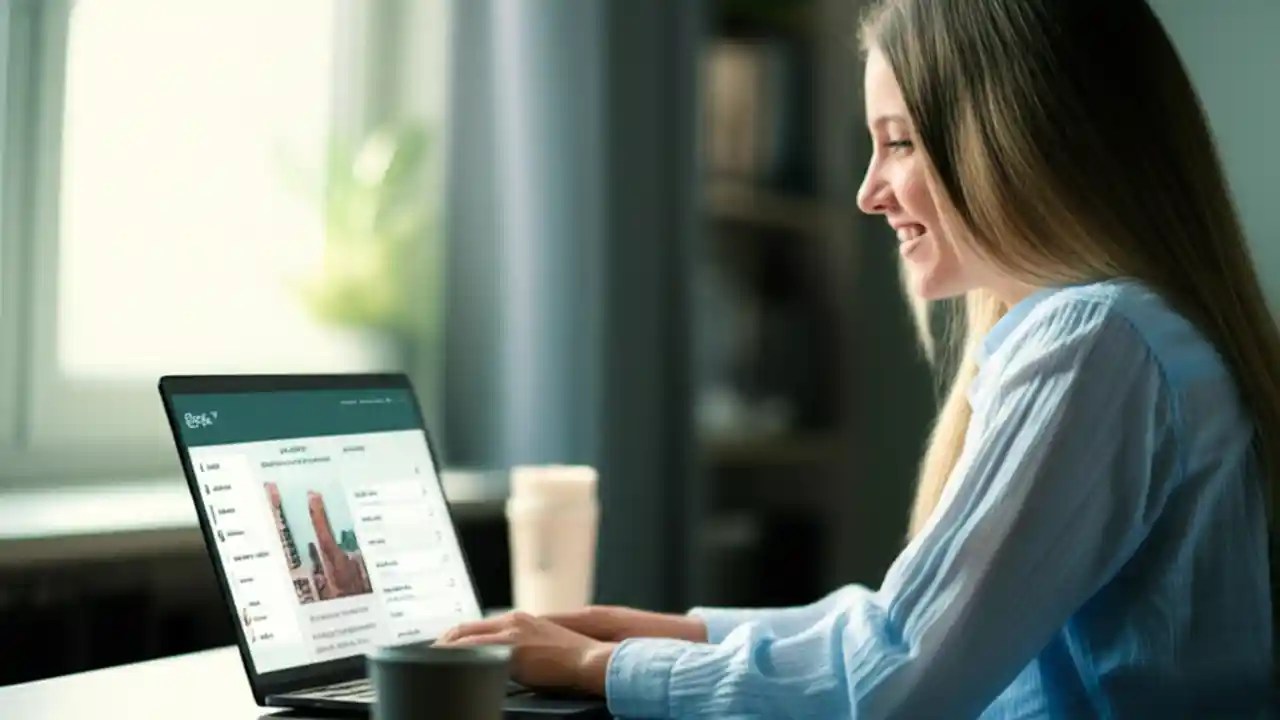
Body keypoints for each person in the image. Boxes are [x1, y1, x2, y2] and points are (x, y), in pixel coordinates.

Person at [438, 0, 1279, 715]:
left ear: (1015, 135)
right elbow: (913, 621)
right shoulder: (1141, 334)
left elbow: (894, 675)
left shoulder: (1095, 344)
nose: (868, 191)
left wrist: (604, 669)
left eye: (900, 141)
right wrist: (671, 631)